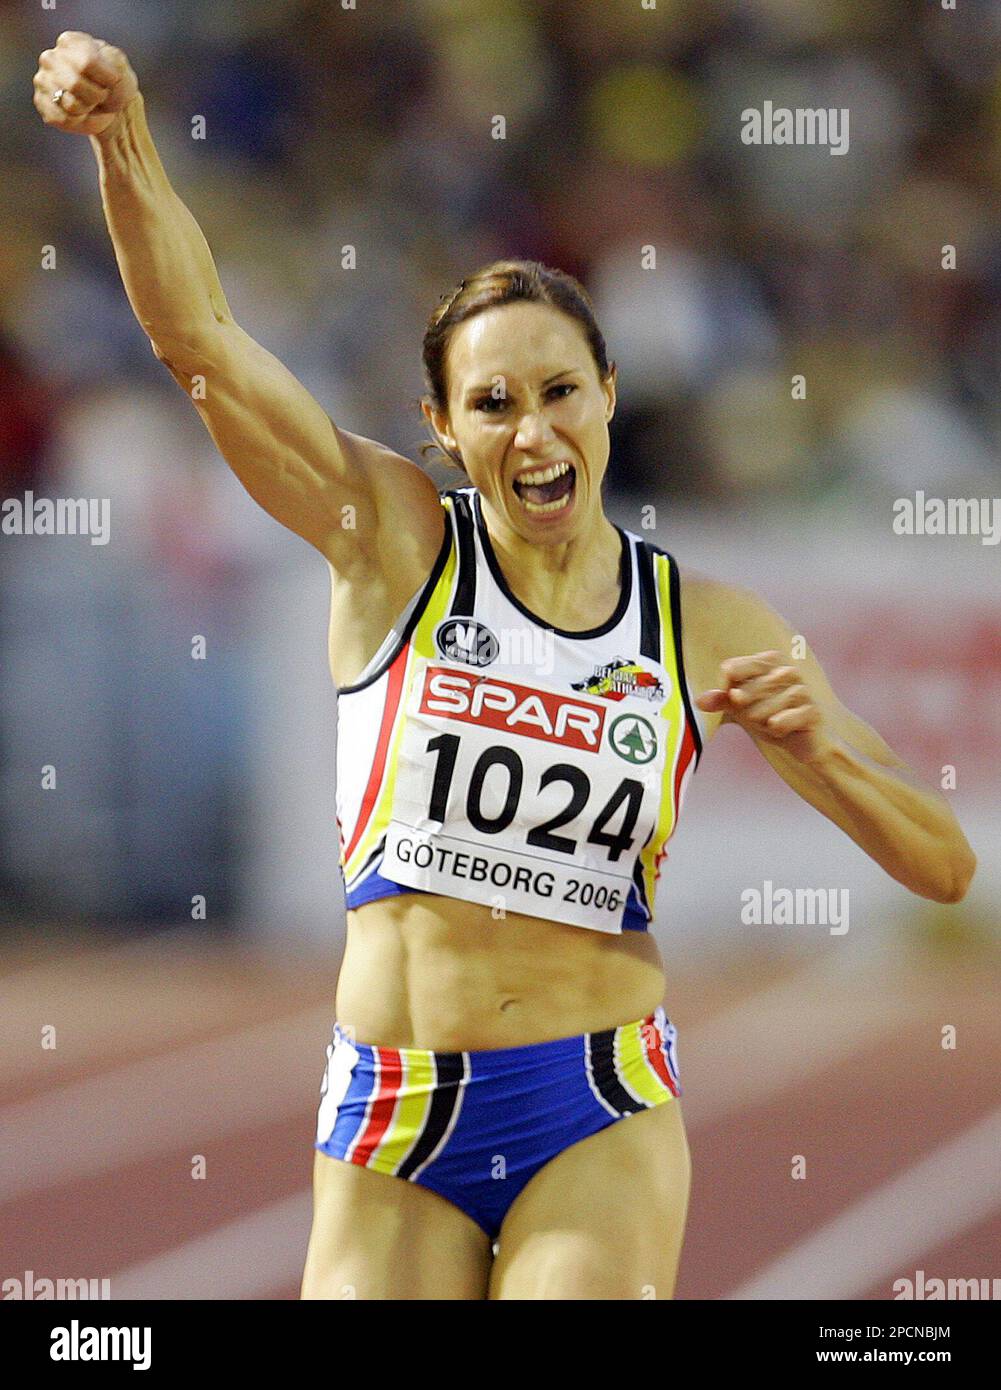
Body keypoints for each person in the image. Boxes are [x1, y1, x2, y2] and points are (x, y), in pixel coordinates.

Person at [33, 32, 977, 1302]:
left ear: (605, 394)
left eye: (558, 393)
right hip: (391, 1104)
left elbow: (943, 863)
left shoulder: (701, 618)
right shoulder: (388, 544)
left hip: (591, 1097)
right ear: (439, 428)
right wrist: (125, 142)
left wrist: (816, 748)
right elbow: (200, 344)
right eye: (491, 406)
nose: (531, 432)